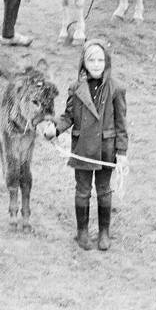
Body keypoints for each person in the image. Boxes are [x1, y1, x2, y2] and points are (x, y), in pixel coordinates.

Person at [37, 41, 129, 252]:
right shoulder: (76, 88)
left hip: (106, 149)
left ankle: (104, 232)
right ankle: (82, 232)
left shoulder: (116, 88)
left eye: (100, 60)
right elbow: (68, 116)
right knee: (83, 190)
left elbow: (121, 125)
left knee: (104, 190)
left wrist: (121, 153)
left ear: (106, 62)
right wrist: (55, 130)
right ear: (83, 63)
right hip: (84, 148)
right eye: (91, 60)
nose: (96, 64)